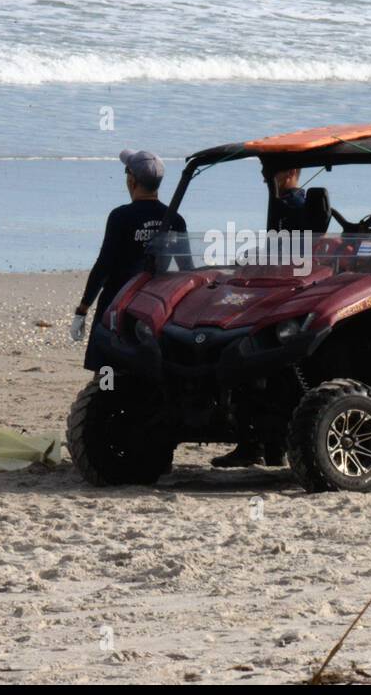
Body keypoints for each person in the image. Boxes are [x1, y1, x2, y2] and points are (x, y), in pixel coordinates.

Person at [210, 167, 305, 470]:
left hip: (286, 291)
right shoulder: (282, 203)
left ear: (289, 171)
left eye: (270, 171)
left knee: (261, 372)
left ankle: (257, 446)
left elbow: (290, 250)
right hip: (276, 286)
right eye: (263, 170)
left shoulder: (296, 205)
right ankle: (265, 447)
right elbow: (277, 246)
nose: (265, 176)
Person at [72, 150, 186, 371]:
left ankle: (101, 400)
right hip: (155, 305)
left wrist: (83, 308)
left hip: (118, 302)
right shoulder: (176, 220)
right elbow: (184, 269)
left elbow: (104, 264)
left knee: (106, 369)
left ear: (131, 179)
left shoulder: (121, 217)